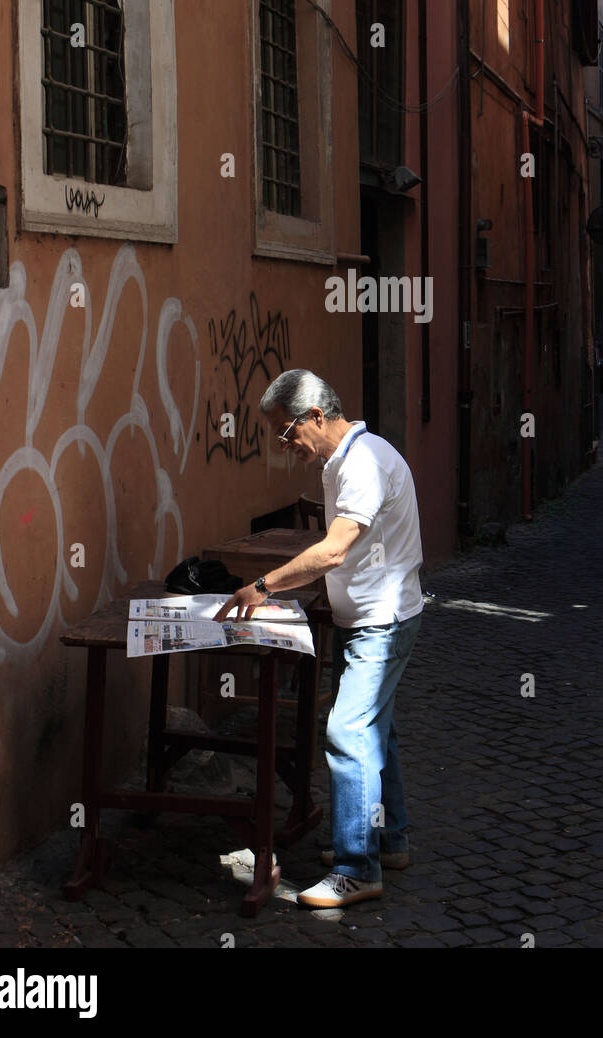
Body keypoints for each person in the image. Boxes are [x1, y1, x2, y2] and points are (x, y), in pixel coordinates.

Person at [214, 368, 423, 908]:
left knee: (347, 732)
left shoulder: (364, 464)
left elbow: (333, 550)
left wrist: (263, 586)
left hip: (383, 621)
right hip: (369, 618)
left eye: (286, 432)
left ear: (316, 417)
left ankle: (358, 868)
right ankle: (389, 840)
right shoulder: (340, 462)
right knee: (379, 731)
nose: (286, 446)